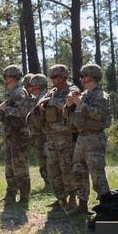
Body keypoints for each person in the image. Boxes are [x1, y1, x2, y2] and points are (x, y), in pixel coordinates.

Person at [66, 62, 110, 214]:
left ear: (94, 77)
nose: (82, 79)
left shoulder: (101, 96)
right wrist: (69, 104)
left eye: (85, 76)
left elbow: (99, 115)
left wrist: (79, 104)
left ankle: (106, 208)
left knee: (97, 174)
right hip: (81, 137)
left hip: (95, 137)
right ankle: (82, 206)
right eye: (82, 76)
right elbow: (70, 115)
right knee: (78, 171)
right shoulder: (83, 95)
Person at [39, 64, 76, 214]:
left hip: (65, 137)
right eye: (52, 77)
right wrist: (41, 104)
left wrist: (53, 102)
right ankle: (61, 199)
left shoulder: (72, 91)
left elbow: (70, 105)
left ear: (64, 76)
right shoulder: (51, 92)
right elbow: (40, 103)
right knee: (52, 170)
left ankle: (72, 198)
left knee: (67, 169)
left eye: (56, 77)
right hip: (51, 137)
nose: (54, 80)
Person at [0, 64, 36, 208]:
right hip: (11, 134)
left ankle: (24, 196)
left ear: (13, 77)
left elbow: (21, 112)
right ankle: (11, 194)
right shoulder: (12, 92)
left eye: (7, 77)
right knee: (10, 166)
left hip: (19, 135)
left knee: (20, 166)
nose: (5, 80)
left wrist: (5, 108)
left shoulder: (19, 92)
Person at [24, 73, 49, 190]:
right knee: (43, 163)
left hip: (44, 136)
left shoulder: (44, 98)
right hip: (37, 136)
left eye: (33, 86)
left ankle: (51, 185)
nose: (31, 88)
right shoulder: (36, 99)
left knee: (47, 162)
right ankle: (48, 185)